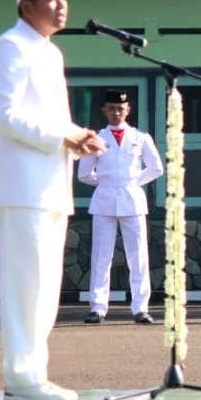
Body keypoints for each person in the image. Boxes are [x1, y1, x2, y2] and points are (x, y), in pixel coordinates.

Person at [0, 0, 105, 400]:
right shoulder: (10, 46)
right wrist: (63, 136)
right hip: (21, 188)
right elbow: (6, 115)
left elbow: (53, 120)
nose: (62, 5)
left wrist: (78, 138)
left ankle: (34, 374)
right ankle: (21, 377)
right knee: (25, 286)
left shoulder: (50, 53)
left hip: (52, 184)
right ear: (27, 5)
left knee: (46, 287)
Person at [77, 90, 164, 325]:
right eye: (111, 108)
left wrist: (134, 181)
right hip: (104, 199)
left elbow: (156, 168)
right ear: (104, 110)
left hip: (132, 199)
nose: (116, 113)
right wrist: (105, 181)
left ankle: (140, 307)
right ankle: (98, 307)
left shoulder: (141, 137)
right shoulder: (96, 138)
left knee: (138, 256)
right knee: (101, 256)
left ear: (128, 110)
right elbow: (84, 173)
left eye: (120, 109)